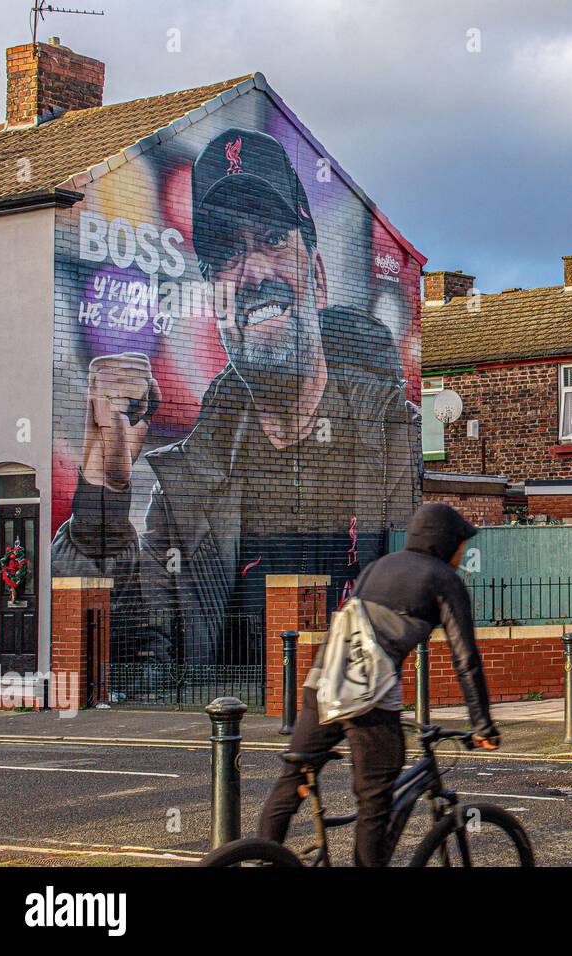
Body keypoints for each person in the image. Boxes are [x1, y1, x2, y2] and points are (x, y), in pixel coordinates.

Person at [51, 127, 416, 667]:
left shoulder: (394, 438)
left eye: (272, 239)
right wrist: (103, 487)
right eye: (224, 256)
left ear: (316, 276)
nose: (252, 274)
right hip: (239, 737)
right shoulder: (184, 494)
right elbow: (129, 645)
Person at [257, 503, 498, 867]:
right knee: (374, 801)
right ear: (444, 542)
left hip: (321, 685)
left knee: (291, 780)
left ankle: (261, 859)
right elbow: (465, 659)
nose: (463, 553)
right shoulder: (445, 580)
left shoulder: (378, 566)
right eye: (461, 544)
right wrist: (482, 724)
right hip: (369, 700)